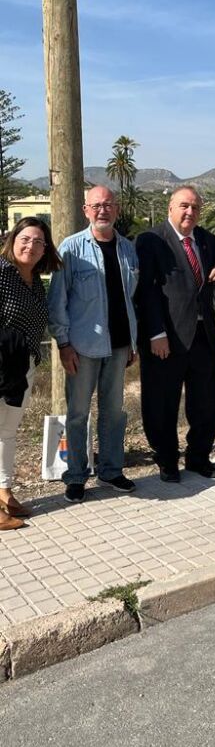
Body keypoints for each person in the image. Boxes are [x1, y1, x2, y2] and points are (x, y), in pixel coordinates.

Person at [47, 187, 139, 503]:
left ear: (117, 209)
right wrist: (63, 344)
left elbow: (131, 300)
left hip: (119, 346)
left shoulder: (128, 249)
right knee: (77, 414)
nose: (103, 210)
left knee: (114, 412)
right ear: (86, 210)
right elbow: (57, 300)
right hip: (82, 347)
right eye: (96, 205)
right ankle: (75, 476)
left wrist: (133, 342)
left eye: (108, 204)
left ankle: (111, 471)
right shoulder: (71, 248)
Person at [135, 186, 215, 481]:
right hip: (167, 338)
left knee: (205, 403)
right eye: (184, 206)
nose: (190, 212)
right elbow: (146, 291)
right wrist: (155, 333)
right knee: (162, 403)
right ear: (170, 207)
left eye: (195, 207)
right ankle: (166, 460)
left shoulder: (206, 239)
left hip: (204, 336)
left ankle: (198, 458)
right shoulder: (151, 240)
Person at [0, 217, 62, 530]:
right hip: (1, 363)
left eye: (39, 242)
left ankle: (4, 491)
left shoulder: (35, 279)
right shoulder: (2, 272)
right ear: (13, 239)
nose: (31, 246)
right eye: (25, 239)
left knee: (8, 431)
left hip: (23, 364)